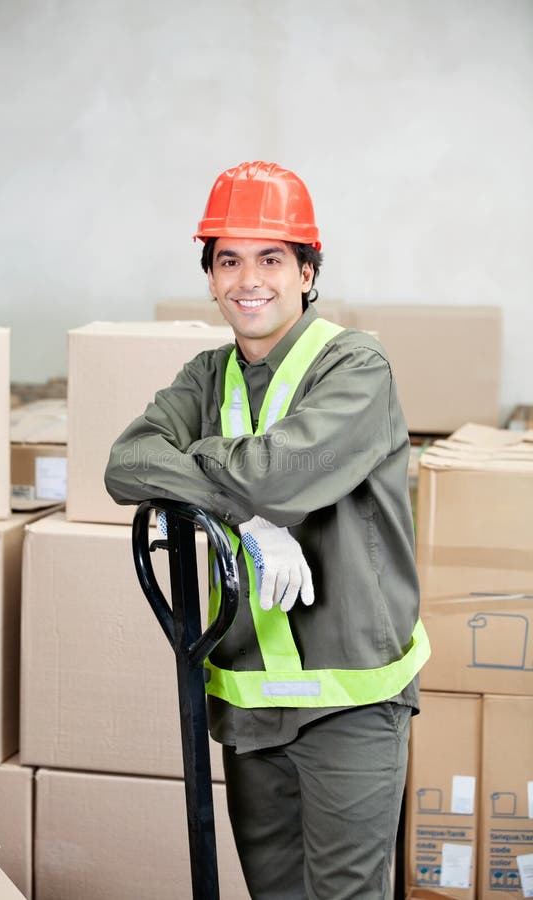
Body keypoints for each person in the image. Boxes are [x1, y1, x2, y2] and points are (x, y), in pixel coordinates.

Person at [105, 160, 430, 899]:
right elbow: (126, 464)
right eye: (229, 260)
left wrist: (216, 478)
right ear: (213, 279)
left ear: (308, 273)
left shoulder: (357, 366)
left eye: (272, 257)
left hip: (351, 701)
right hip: (250, 700)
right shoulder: (206, 375)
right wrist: (245, 516)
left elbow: (278, 474)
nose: (250, 278)